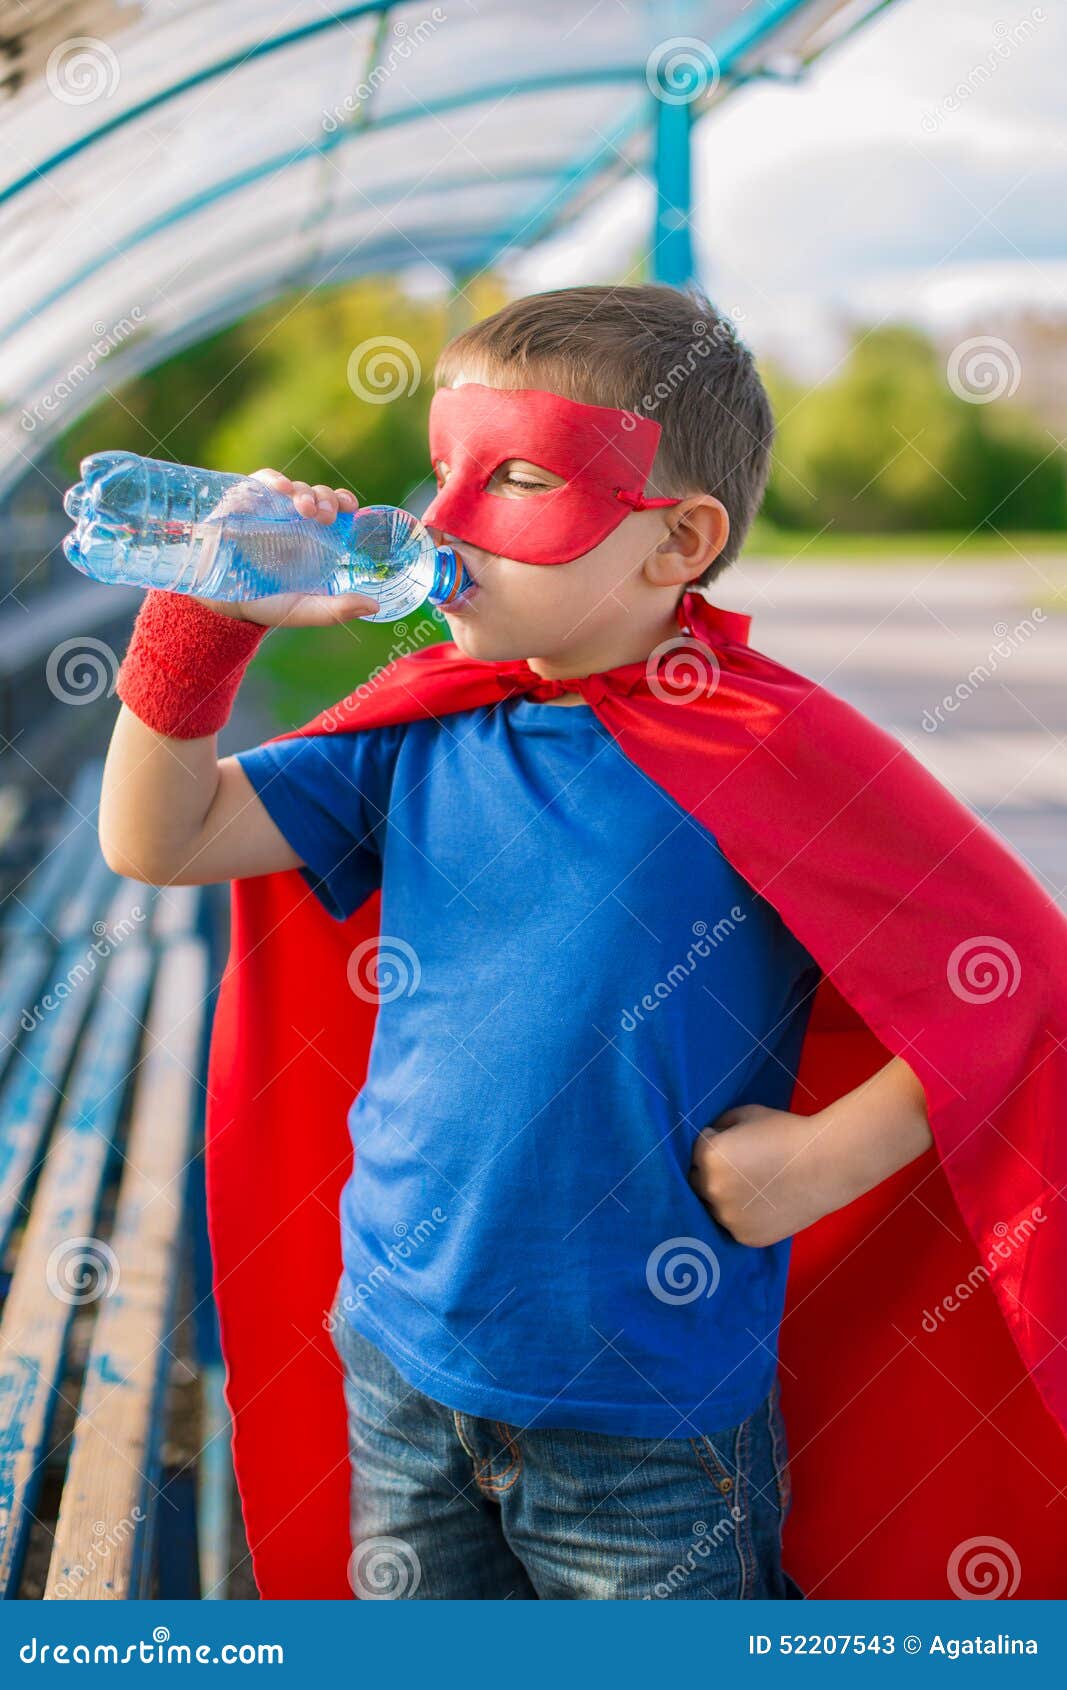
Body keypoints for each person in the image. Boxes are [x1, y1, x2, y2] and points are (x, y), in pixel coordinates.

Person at [99, 284, 1067, 1601]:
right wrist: (202, 621)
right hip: (398, 1357)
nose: (440, 523)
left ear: (677, 541)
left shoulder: (775, 745)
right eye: (440, 471)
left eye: (513, 479)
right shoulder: (421, 723)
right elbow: (163, 838)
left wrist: (822, 1160)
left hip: (647, 1424)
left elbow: (1013, 974)